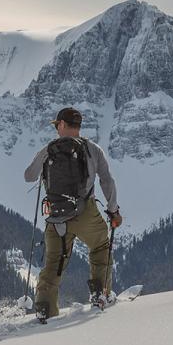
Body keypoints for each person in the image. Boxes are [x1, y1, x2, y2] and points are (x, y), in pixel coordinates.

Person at [23, 107, 122, 322]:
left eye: (56, 125)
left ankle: (44, 310)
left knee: (53, 263)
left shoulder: (49, 150)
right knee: (100, 247)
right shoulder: (92, 149)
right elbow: (107, 181)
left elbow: (28, 176)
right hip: (85, 212)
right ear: (78, 126)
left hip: (56, 216)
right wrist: (113, 210)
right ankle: (99, 294)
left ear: (61, 124)